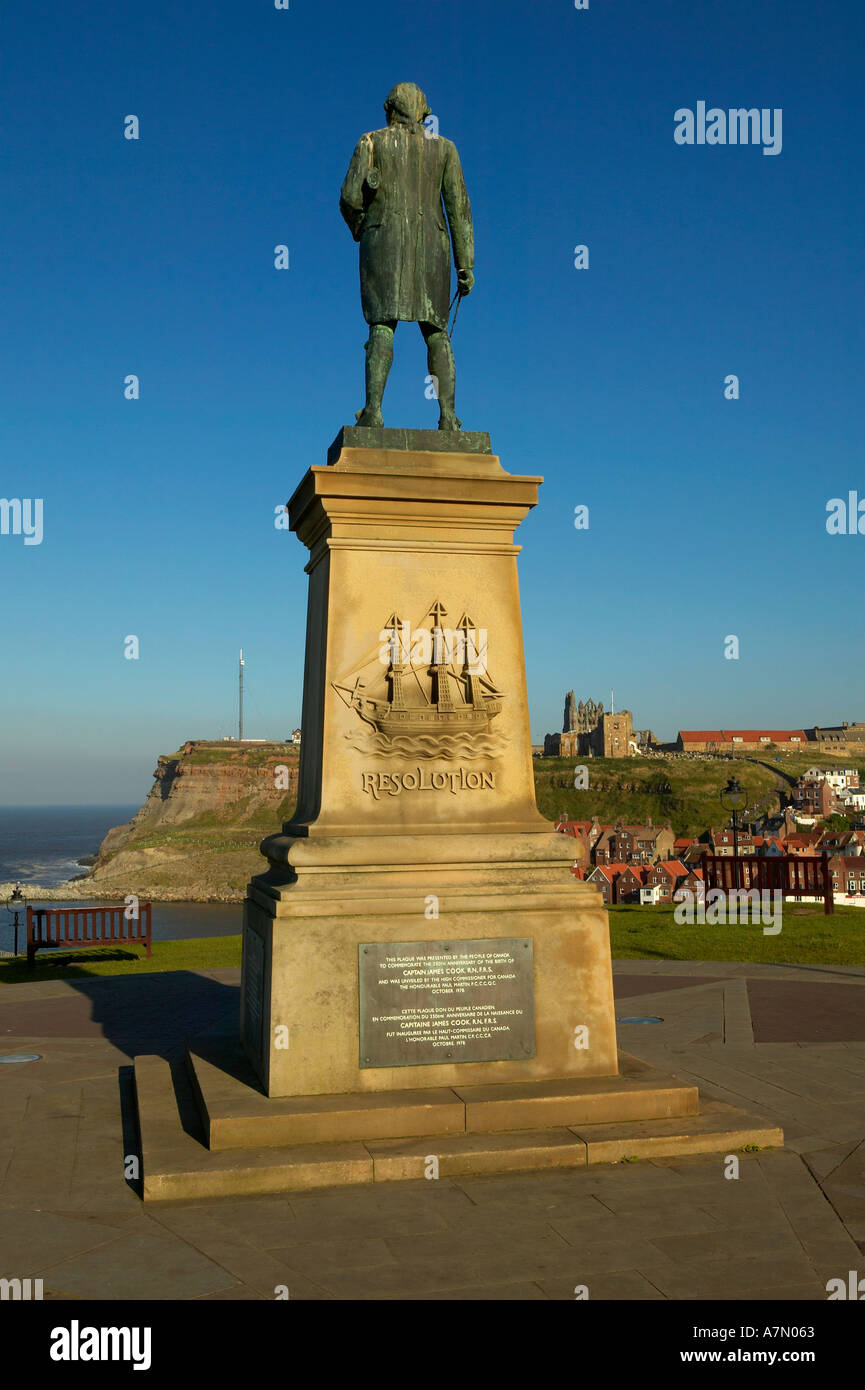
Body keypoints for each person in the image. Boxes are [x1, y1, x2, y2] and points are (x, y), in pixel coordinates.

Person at [340, 82, 474, 430]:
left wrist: (363, 227)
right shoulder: (445, 148)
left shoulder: (371, 142)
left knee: (382, 327)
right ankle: (447, 417)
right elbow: (459, 209)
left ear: (390, 110)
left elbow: (349, 198)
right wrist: (465, 263)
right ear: (423, 113)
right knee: (436, 331)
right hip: (433, 247)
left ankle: (373, 411)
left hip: (383, 241)